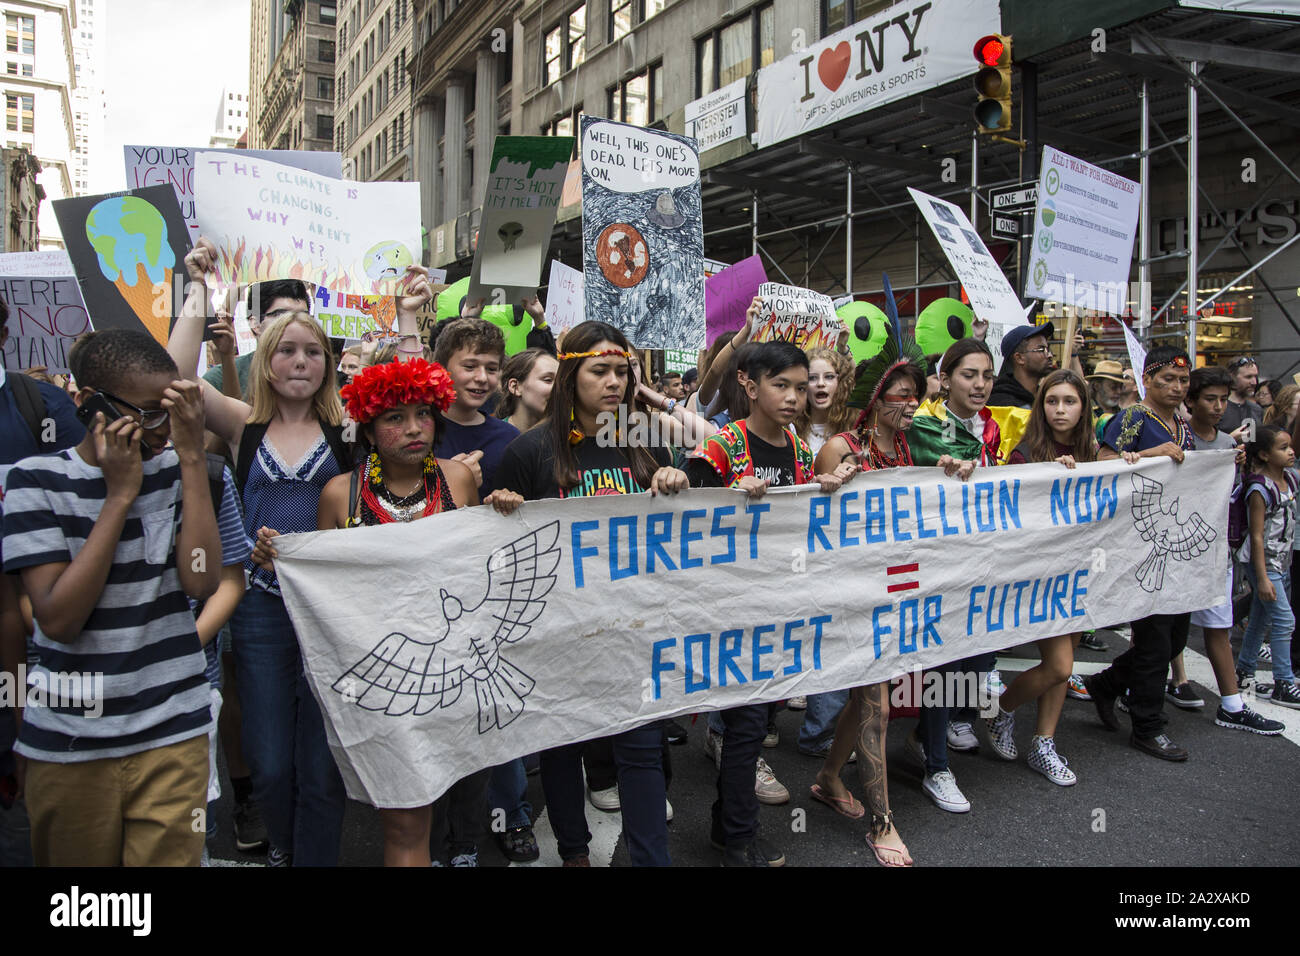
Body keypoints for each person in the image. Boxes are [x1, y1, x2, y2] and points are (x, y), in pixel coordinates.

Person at [278, 357, 520, 865]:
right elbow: (326, 591)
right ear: (367, 427)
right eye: (394, 418)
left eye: (422, 415)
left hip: (453, 673)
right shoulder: (339, 495)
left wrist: (503, 512)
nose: (413, 429)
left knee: (460, 780)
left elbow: (478, 565)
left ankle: (462, 847)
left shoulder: (459, 479)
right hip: (391, 677)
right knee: (406, 815)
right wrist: (277, 555)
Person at [2, 329, 221, 865]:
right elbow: (57, 619)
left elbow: (202, 581)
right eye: (148, 414)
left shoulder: (179, 469)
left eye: (170, 410)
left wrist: (192, 460)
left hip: (175, 729)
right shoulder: (34, 481)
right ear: (86, 401)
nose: (160, 430)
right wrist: (119, 497)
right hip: (72, 739)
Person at [496, 320, 690, 867]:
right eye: (599, 370)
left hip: (636, 629)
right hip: (560, 633)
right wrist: (502, 506)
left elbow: (682, 530)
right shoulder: (529, 452)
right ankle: (575, 854)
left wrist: (676, 485)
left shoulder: (648, 443)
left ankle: (653, 859)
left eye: (622, 372)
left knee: (642, 750)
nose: (614, 382)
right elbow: (501, 548)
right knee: (562, 748)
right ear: (570, 375)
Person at [686, 339, 855, 866]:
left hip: (779, 611)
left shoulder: (802, 453)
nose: (793, 398)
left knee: (755, 723)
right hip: (729, 611)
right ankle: (738, 838)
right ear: (748, 385)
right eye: (781, 385)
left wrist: (822, 492)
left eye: (801, 388)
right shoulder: (719, 448)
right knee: (746, 727)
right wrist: (731, 496)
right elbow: (683, 523)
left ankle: (723, 826)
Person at [810, 333, 942, 866]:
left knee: (867, 698)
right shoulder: (843, 445)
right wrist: (830, 483)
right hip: (852, 595)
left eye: (917, 396)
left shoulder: (912, 447)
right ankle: (883, 822)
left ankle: (825, 777)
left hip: (899, 592)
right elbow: (807, 515)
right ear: (877, 398)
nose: (912, 405)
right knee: (876, 704)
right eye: (901, 395)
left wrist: (953, 474)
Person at [993, 370, 1141, 785]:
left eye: (1070, 401)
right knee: (1059, 667)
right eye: (1052, 401)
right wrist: (1049, 476)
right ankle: (1001, 709)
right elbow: (1008, 507)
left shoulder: (1096, 453)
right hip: (1043, 576)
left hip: (1083, 572)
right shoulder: (1026, 454)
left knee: (1065, 659)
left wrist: (1129, 464)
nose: (1060, 409)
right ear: (1041, 407)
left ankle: (1044, 742)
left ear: (1084, 407)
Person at [1084, 346, 1198, 760]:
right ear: (1147, 380)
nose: (1177, 387)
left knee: (1173, 639)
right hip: (1141, 541)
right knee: (1154, 640)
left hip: (1174, 546)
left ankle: (1106, 685)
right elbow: (1104, 461)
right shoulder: (1133, 418)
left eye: (1183, 381)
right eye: (1168, 379)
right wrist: (1154, 454)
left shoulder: (1180, 424)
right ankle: (1148, 726)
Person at [1162, 366, 1283, 734]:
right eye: (1209, 399)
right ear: (1191, 402)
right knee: (1159, 625)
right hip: (1175, 550)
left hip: (1216, 553)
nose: (1216, 407)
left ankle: (1231, 704)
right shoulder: (1178, 440)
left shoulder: (1230, 448)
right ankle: (1136, 687)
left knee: (1218, 625)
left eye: (1221, 399)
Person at [789, 346, 856, 756]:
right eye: (810, 378)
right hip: (792, 546)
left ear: (841, 381)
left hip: (836, 550)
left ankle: (819, 730)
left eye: (827, 377)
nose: (818, 385)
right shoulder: (784, 426)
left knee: (833, 632)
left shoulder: (854, 430)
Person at [1235, 424, 1300, 709]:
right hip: (1264, 563)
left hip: (1281, 561)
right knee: (1285, 621)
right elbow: (1257, 536)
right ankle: (1284, 682)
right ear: (1263, 454)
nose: (1291, 452)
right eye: (1283, 448)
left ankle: (1245, 672)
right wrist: (1261, 578)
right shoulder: (1260, 489)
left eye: (1290, 446)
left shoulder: (1292, 480)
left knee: (1260, 619)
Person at [432, 318, 520, 498]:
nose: (482, 377)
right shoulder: (420, 430)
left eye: (491, 369)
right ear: (441, 368)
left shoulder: (510, 438)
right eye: (470, 367)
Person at [203, 279, 313, 399]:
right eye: (282, 316)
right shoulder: (218, 379)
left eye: (303, 317)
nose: (296, 325)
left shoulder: (317, 374)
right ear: (255, 323)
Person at [988, 323, 1056, 408]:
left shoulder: (1047, 397)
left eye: (1048, 349)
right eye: (1041, 349)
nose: (1049, 355)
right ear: (1019, 358)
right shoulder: (1002, 405)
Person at [498, 348, 558, 434]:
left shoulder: (569, 436)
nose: (559, 388)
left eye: (561, 382)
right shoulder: (494, 438)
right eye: (548, 380)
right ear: (515, 386)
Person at [1219, 356, 1263, 435]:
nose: (1254, 382)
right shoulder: (1218, 408)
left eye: (1255, 377)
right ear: (1232, 376)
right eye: (1248, 377)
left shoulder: (1256, 410)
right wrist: (1231, 439)